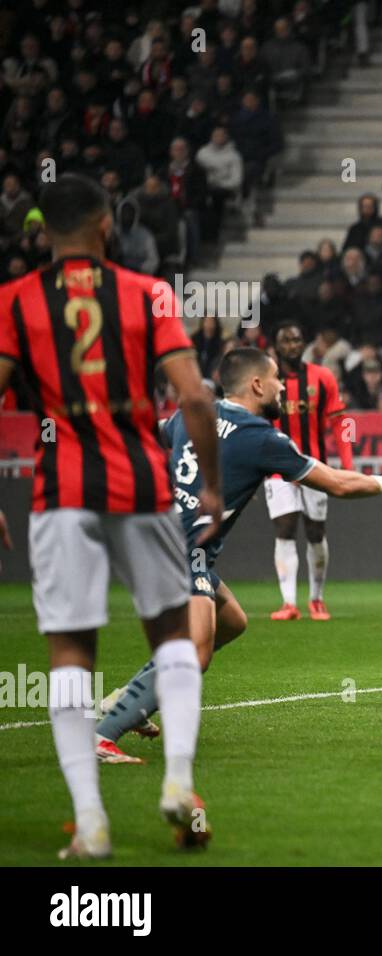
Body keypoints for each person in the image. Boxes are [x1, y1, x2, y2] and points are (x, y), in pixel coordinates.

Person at [0, 174, 222, 858]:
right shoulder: (147, 293)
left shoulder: (14, 300)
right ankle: (179, 783)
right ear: (104, 227)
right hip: (141, 484)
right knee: (173, 638)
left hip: (61, 489)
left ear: (45, 232)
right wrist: (211, 488)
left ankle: (91, 823)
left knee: (70, 653)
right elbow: (195, 398)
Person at [94, 348, 382, 763]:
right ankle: (104, 734)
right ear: (256, 385)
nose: (283, 387)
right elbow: (337, 483)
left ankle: (132, 699)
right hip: (182, 550)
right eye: (276, 380)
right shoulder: (261, 437)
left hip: (161, 539)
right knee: (196, 651)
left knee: (231, 621)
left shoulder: (192, 411)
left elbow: (151, 433)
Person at [265, 320, 355, 621]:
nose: (293, 345)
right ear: (277, 346)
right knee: (285, 527)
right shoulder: (264, 381)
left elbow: (340, 421)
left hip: (314, 464)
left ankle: (316, 598)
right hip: (277, 467)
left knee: (315, 531)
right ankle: (289, 603)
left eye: (297, 339)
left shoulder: (322, 377)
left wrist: (348, 465)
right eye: (287, 340)